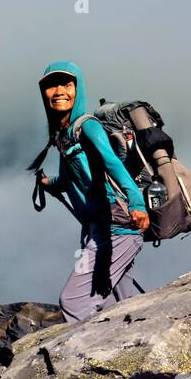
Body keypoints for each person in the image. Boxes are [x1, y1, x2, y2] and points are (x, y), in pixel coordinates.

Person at [31, 61, 150, 323]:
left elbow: (112, 163)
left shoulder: (88, 127)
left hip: (117, 227)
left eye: (67, 84)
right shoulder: (65, 134)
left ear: (78, 88)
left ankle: (85, 362)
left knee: (74, 301)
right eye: (52, 85)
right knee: (120, 305)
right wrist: (48, 184)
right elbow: (69, 178)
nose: (59, 90)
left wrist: (137, 202)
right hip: (100, 228)